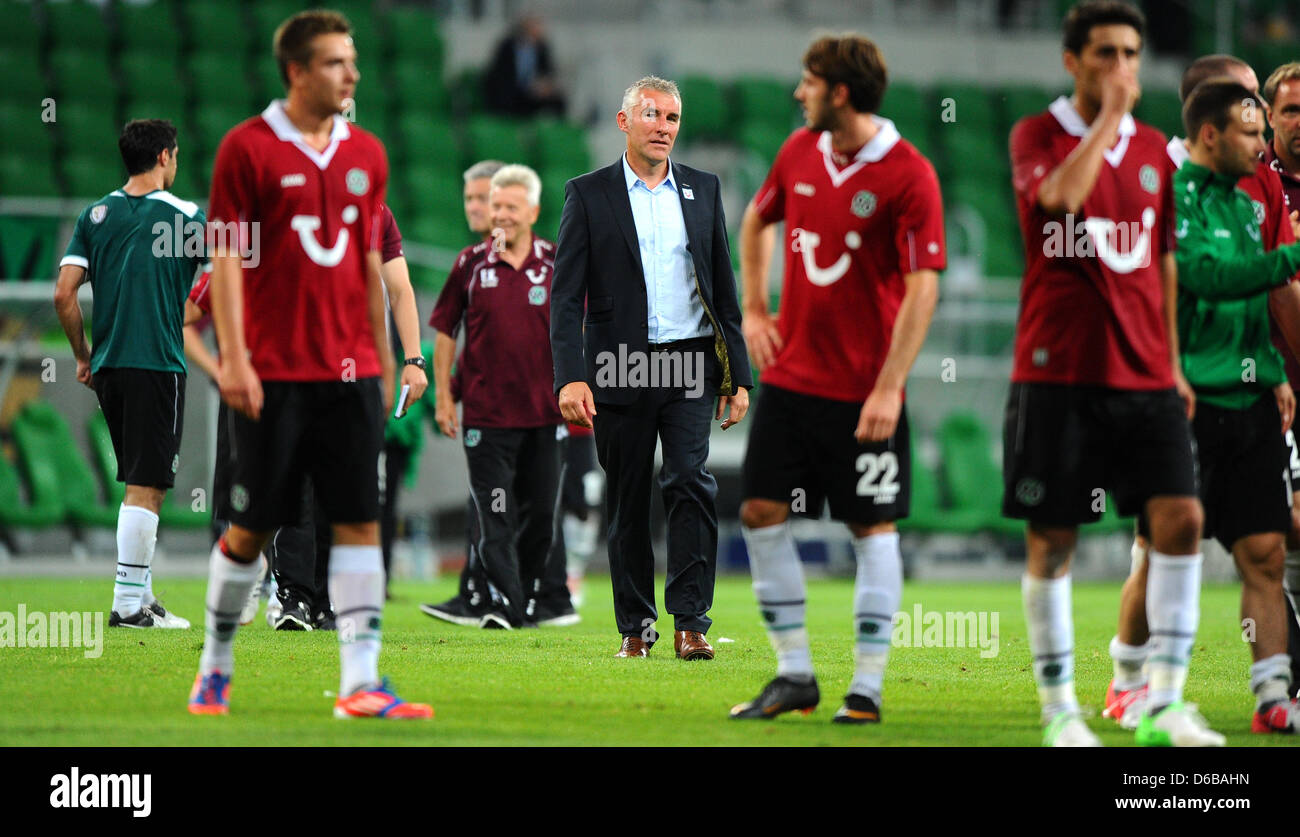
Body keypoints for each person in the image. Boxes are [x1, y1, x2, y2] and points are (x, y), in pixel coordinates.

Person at [188, 9, 431, 719]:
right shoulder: (246, 149)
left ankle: (360, 682)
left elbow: (370, 269)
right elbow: (226, 258)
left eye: (353, 61)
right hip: (272, 374)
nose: (351, 74)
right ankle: (216, 662)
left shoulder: (369, 156)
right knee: (250, 528)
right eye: (334, 62)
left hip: (350, 373)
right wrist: (233, 359)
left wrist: (384, 361)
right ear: (296, 71)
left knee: (357, 521)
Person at [1003, 0, 1219, 746]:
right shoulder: (1038, 135)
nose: (1122, 67)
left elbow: (1160, 258)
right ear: (1073, 61)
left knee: (1182, 520)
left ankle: (1162, 701)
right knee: (1053, 537)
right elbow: (1059, 197)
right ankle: (1060, 709)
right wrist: (1107, 124)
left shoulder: (1158, 150)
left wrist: (1173, 358)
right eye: (1105, 53)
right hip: (1056, 368)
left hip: (1146, 373)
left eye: (1131, 52)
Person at [728, 35, 944, 724]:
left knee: (870, 526)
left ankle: (867, 688)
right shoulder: (798, 153)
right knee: (761, 510)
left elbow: (923, 289)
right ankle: (795, 674)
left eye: (809, 81)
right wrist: (756, 310)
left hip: (864, 392)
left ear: (840, 92)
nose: (799, 92)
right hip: (792, 380)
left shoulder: (909, 173)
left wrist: (890, 385)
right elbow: (756, 219)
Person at [1104, 54, 1300, 733]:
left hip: (1247, 403)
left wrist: (1272, 372)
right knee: (1162, 547)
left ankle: (1272, 693)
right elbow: (1212, 279)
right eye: (1252, 126)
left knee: (1266, 550)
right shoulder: (1167, 193)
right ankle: (1130, 675)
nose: (1263, 141)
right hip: (1183, 402)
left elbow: (1255, 303)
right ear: (1211, 130)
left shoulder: (1249, 202)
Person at [551, 76, 752, 659]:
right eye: (652, 114)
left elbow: (723, 287)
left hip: (689, 361)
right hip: (619, 362)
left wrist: (737, 375)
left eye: (672, 117)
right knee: (629, 496)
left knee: (690, 481)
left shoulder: (704, 190)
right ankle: (635, 629)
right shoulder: (587, 194)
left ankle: (692, 624)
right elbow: (565, 297)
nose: (664, 126)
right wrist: (570, 375)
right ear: (624, 122)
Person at [53, 118, 200, 631]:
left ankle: (143, 595)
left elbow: (63, 293)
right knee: (148, 484)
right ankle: (127, 605)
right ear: (164, 156)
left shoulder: (95, 214)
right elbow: (236, 266)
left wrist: (82, 355)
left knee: (139, 478)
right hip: (156, 362)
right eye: (175, 155)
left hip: (109, 366)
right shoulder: (184, 215)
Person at [429, 164, 571, 629]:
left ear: (533, 209)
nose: (502, 215)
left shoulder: (557, 263)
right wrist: (446, 398)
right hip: (486, 418)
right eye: (496, 206)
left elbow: (579, 330)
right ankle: (505, 606)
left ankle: (520, 598)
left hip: (544, 415)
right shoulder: (470, 263)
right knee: (495, 515)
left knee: (541, 518)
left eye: (511, 206)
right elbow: (445, 329)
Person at [1261, 61, 1300, 698]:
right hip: (1263, 388)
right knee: (1276, 534)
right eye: (1291, 111)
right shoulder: (1252, 185)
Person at [484, 14, 566, 118]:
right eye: (536, 28)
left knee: (558, 100)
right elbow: (499, 74)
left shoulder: (542, 48)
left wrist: (544, 86)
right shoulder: (507, 46)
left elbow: (549, 71)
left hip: (533, 92)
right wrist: (525, 86)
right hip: (511, 90)